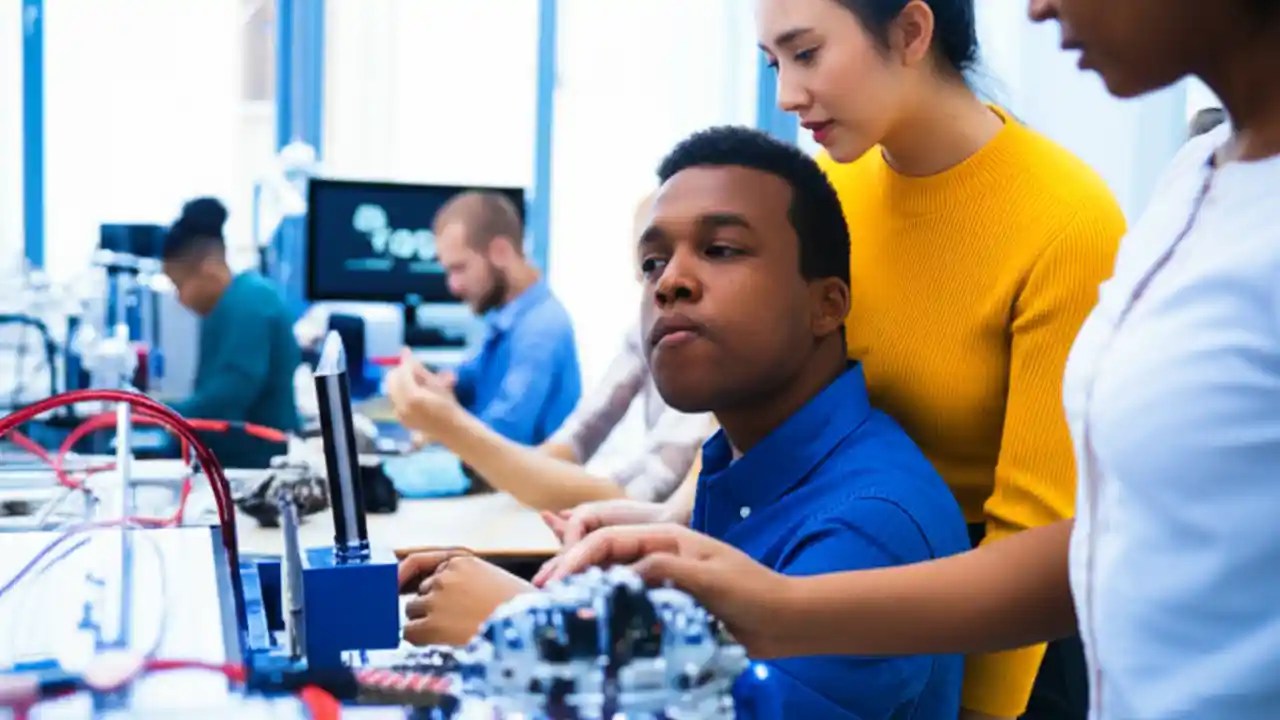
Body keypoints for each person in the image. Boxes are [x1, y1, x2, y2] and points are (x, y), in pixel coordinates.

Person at [542, 1, 1280, 718]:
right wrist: (682, 528)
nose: (786, 93)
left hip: (975, 630)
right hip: (856, 580)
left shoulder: (1068, 217)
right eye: (772, 62)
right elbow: (775, 395)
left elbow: (1042, 525)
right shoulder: (1195, 180)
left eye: (806, 53)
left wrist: (976, 710)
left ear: (911, 32)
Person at [398, 126, 972, 719]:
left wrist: (520, 625)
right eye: (652, 263)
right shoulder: (742, 469)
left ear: (826, 304)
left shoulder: (866, 526)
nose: (669, 281)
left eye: (721, 249)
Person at [385, 195, 714, 510]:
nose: (667, 286)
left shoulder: (542, 329)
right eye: (651, 267)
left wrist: (447, 425)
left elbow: (635, 498)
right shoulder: (503, 321)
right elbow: (575, 440)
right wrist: (442, 400)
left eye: (459, 269)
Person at [400, 191, 580, 450]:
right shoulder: (508, 315)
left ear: (500, 251)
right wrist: (439, 382)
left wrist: (443, 415)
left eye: (459, 268)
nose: (453, 286)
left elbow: (502, 440)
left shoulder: (541, 330)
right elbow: (472, 374)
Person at [160, 197, 300, 468]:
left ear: (208, 269)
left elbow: (237, 384)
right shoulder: (228, 306)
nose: (181, 299)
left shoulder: (251, 302)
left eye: (180, 285)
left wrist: (174, 417)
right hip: (232, 461)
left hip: (257, 463)